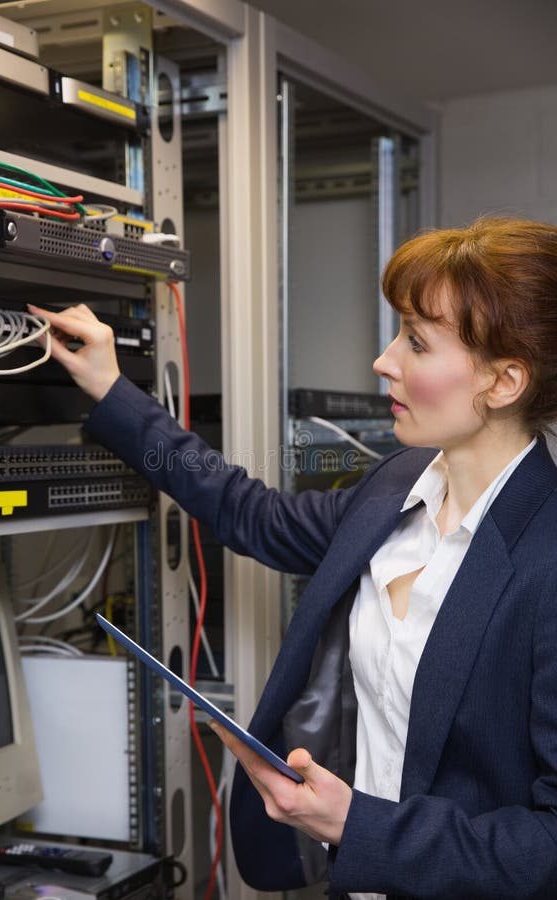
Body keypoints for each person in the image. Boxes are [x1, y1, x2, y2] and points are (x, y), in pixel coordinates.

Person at [29, 216, 557, 900]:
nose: (385, 360)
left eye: (417, 343)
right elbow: (253, 513)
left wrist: (356, 826)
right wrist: (112, 390)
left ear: (505, 380)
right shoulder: (397, 485)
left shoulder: (545, 562)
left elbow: (547, 843)